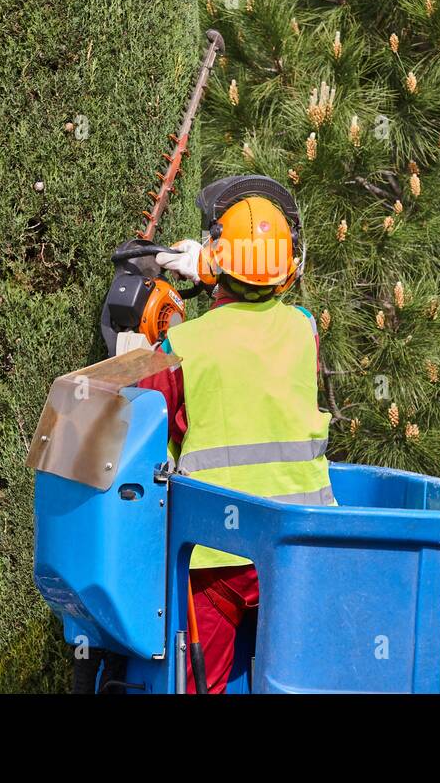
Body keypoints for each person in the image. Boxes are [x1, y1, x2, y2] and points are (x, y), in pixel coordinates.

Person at [139, 175, 332, 693]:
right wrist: (213, 267)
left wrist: (135, 348)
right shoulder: (305, 330)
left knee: (202, 686)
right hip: (296, 551)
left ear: (219, 263)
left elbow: (149, 422)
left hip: (215, 558)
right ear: (288, 268)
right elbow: (254, 321)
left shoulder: (181, 346)